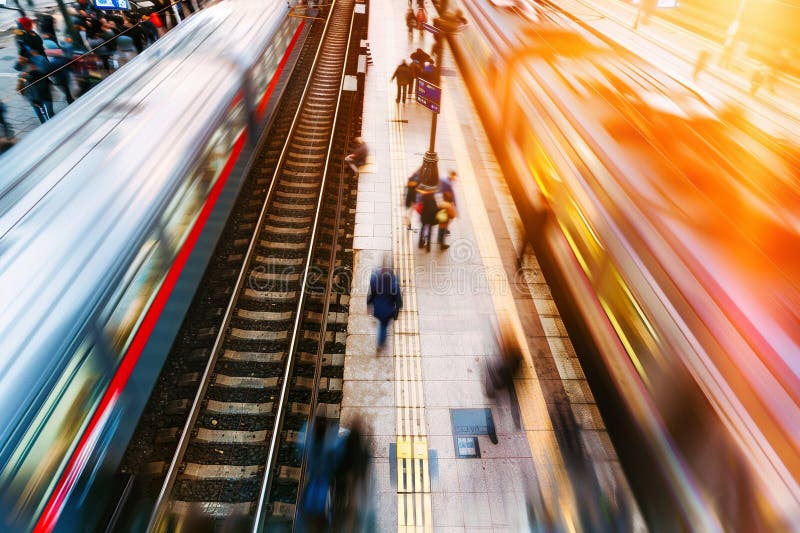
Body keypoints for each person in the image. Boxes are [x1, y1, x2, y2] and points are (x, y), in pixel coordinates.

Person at [367, 257, 402, 350]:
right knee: (383, 326)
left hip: (377, 308)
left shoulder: (375, 277)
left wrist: (369, 303)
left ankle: (381, 343)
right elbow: (398, 300)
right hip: (387, 311)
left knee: (382, 324)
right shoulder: (394, 282)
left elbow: (371, 293)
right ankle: (381, 343)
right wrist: (397, 312)